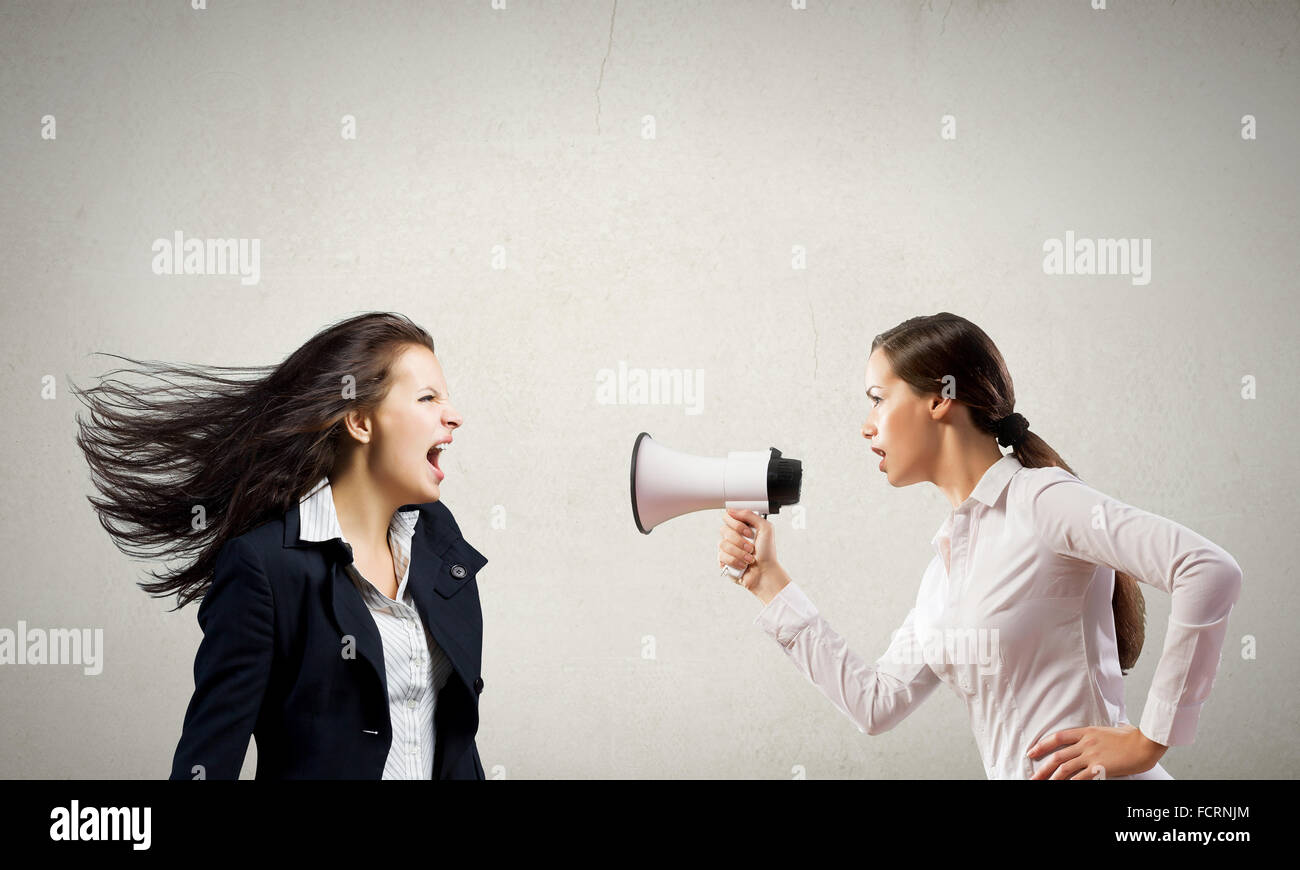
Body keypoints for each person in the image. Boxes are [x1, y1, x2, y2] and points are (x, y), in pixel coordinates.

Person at [718, 312, 1242, 779]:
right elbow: (875, 704)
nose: (866, 425)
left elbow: (1207, 569)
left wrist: (1149, 741)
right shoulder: (944, 574)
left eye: (878, 398)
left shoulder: (1041, 499)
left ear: (941, 397)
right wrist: (768, 582)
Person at [73, 311, 489, 779]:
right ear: (360, 421)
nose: (452, 416)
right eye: (427, 398)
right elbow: (211, 756)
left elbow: (452, 731)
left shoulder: (437, 541)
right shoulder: (265, 566)